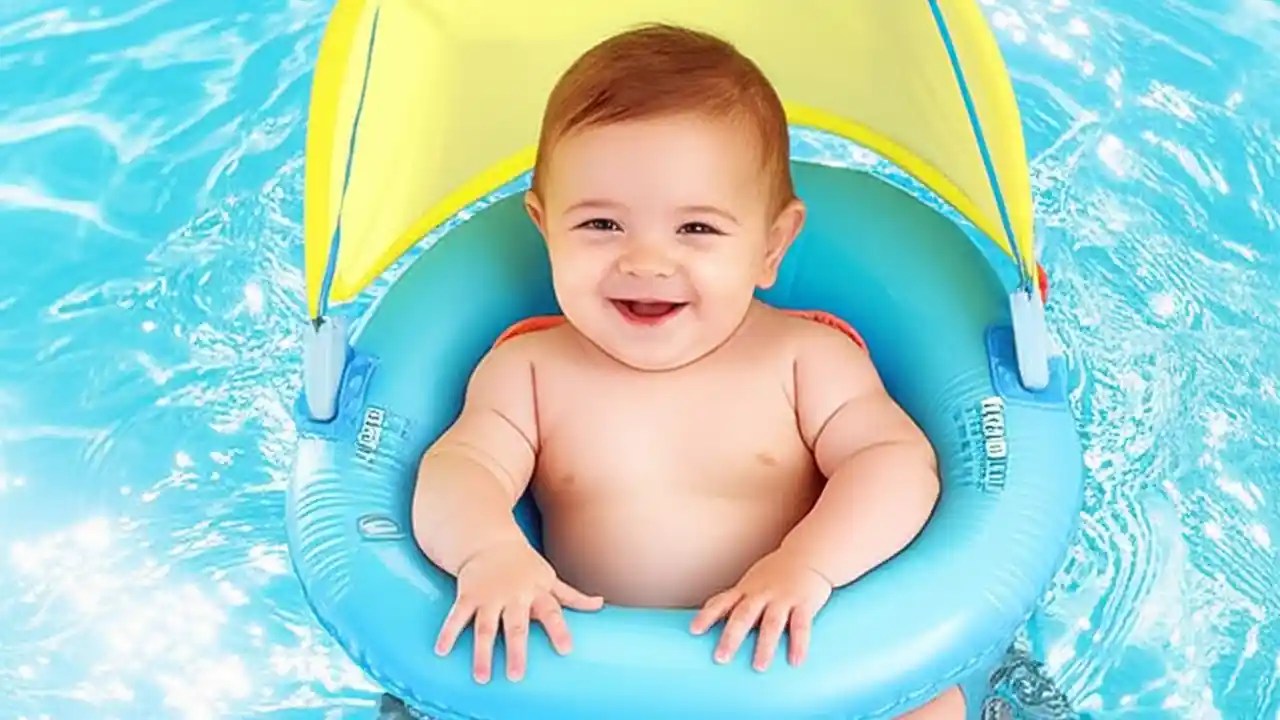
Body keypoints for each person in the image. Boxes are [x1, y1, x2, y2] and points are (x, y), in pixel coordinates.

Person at [411, 23, 959, 718]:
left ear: (772, 246)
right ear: (544, 227)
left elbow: (896, 463)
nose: (646, 262)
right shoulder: (530, 373)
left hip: (796, 673)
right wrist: (489, 553)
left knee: (934, 706)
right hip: (600, 691)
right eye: (601, 225)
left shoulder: (806, 360)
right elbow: (460, 468)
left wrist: (808, 565)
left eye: (696, 229)